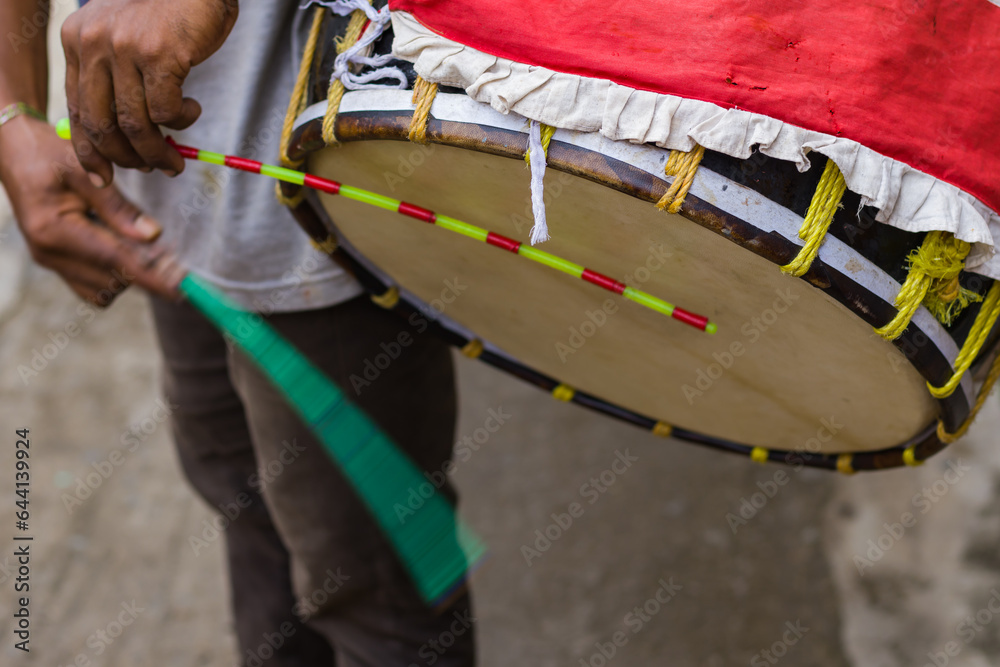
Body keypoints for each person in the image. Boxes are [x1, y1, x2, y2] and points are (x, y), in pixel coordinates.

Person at [0, 1, 475, 665]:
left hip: (323, 218)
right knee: (246, 510)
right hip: (171, 203)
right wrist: (11, 114)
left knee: (373, 584)